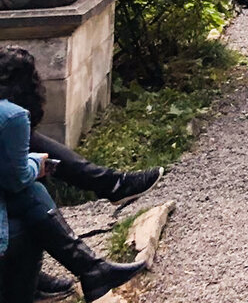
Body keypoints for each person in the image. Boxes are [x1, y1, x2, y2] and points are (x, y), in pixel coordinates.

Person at [0, 49, 146, 302]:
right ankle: (92, 268)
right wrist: (35, 164)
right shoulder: (11, 115)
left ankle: (92, 269)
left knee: (33, 194)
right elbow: (16, 179)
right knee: (31, 203)